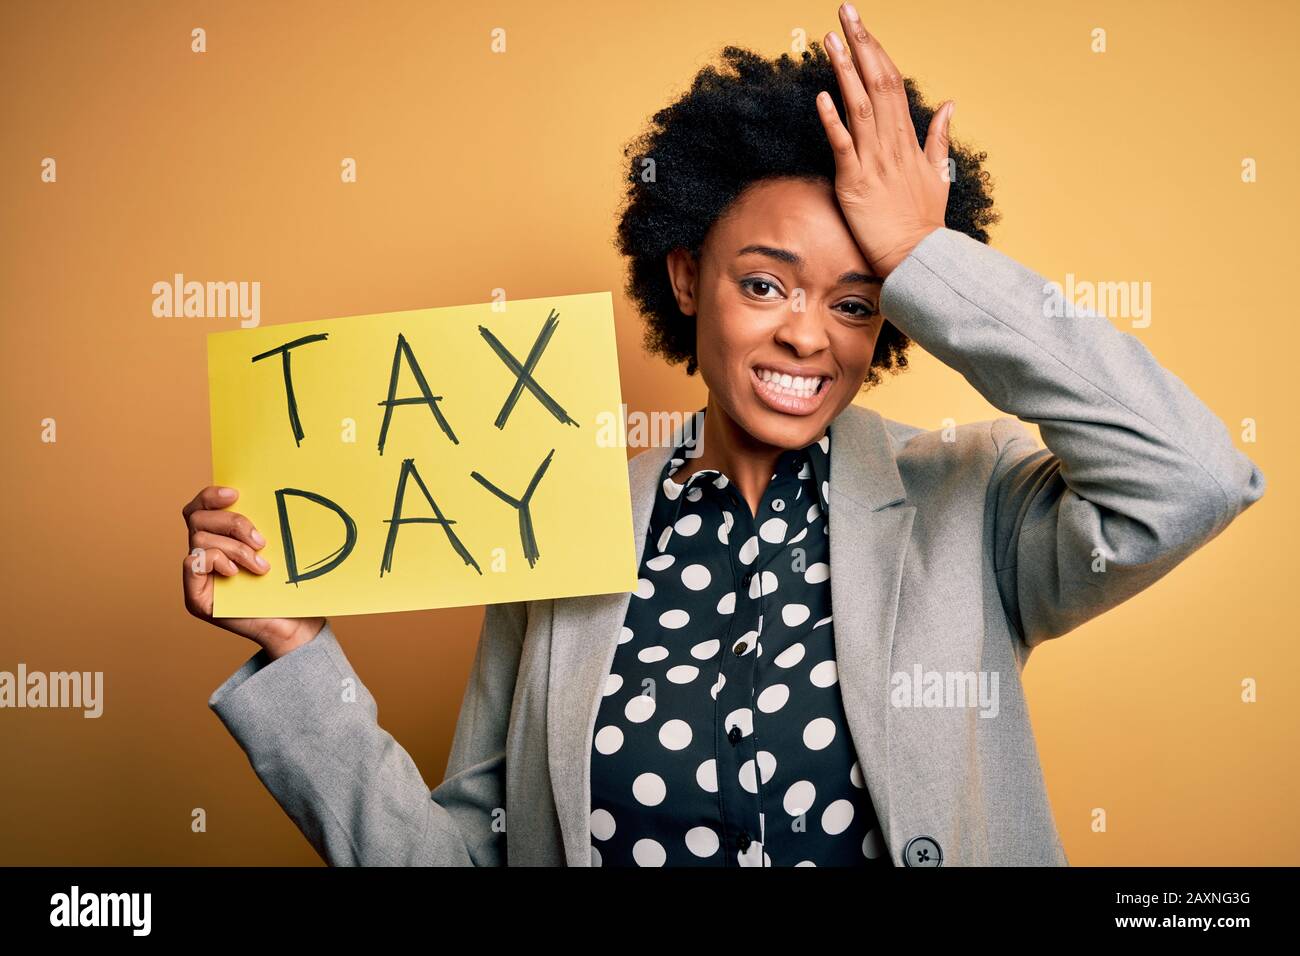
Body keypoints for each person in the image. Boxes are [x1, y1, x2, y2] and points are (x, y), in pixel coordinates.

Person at [181, 4, 1265, 866]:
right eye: (763, 282)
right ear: (687, 273)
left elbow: (1191, 477)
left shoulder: (968, 503)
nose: (807, 332)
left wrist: (922, 256)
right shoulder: (558, 520)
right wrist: (298, 655)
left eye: (854, 300)